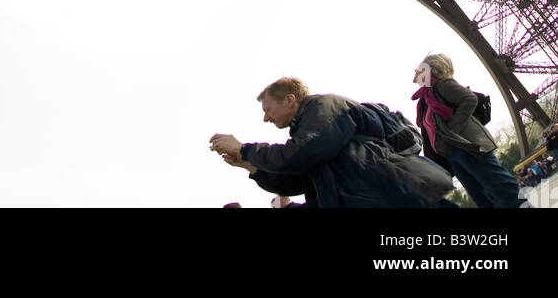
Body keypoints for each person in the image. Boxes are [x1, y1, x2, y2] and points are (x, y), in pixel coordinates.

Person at [210, 76, 456, 208]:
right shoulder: (309, 136)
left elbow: (301, 155)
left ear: (289, 99)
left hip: (393, 196)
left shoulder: (325, 107)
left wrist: (246, 149)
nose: (265, 118)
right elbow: (296, 182)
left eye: (267, 108)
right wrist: (249, 165)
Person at [411, 53, 527, 208]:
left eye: (418, 69)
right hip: (454, 154)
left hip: (468, 146)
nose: (415, 72)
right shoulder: (426, 99)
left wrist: (452, 132)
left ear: (430, 69)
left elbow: (469, 99)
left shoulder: (442, 85)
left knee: (499, 186)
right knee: (481, 195)